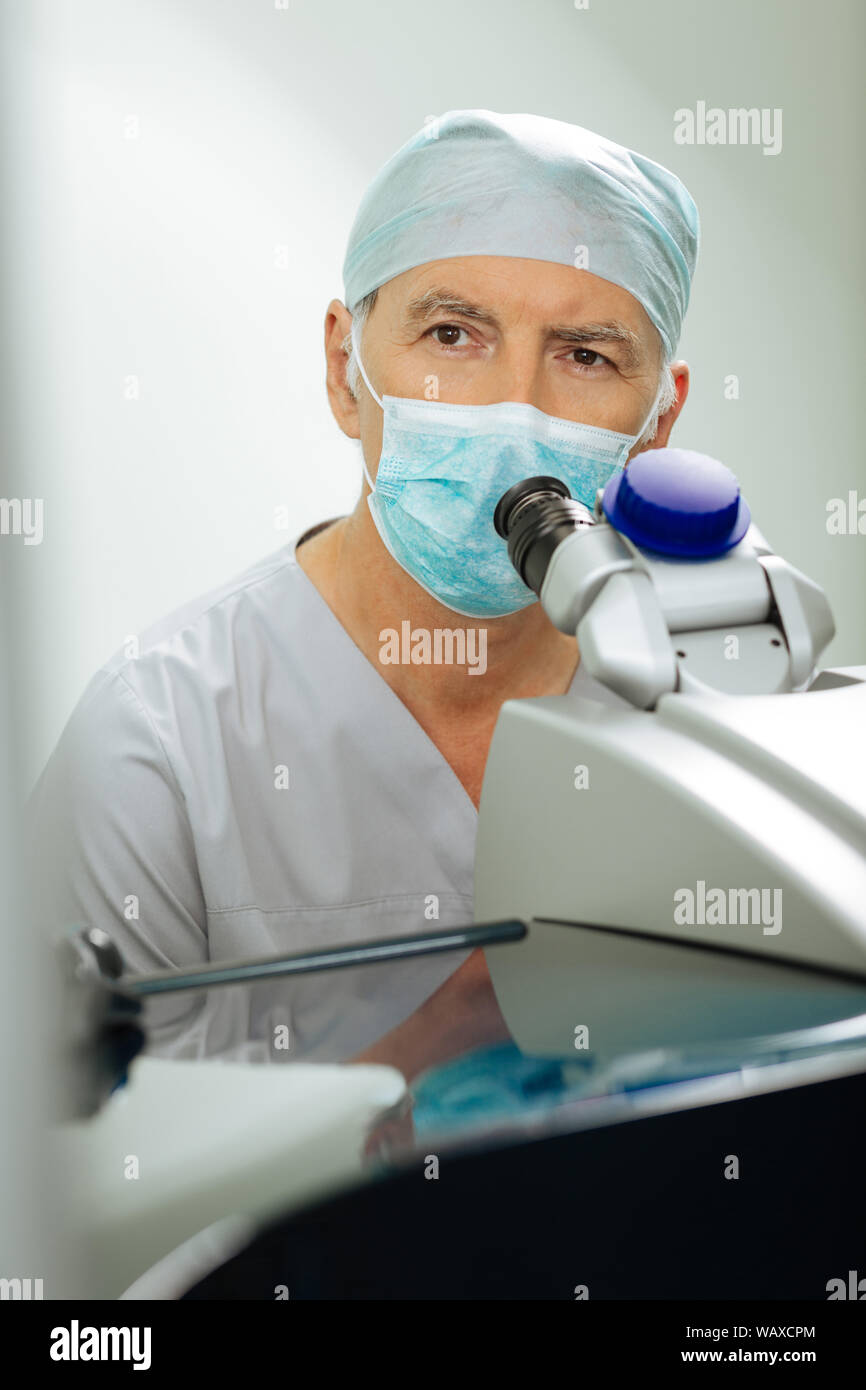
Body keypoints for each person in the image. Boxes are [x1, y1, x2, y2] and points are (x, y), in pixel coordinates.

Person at [25, 109, 699, 1073]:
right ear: (346, 368)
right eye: (453, 332)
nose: (514, 410)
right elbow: (79, 1181)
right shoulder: (160, 741)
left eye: (584, 355)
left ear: (660, 416)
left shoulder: (718, 698)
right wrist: (435, 1044)